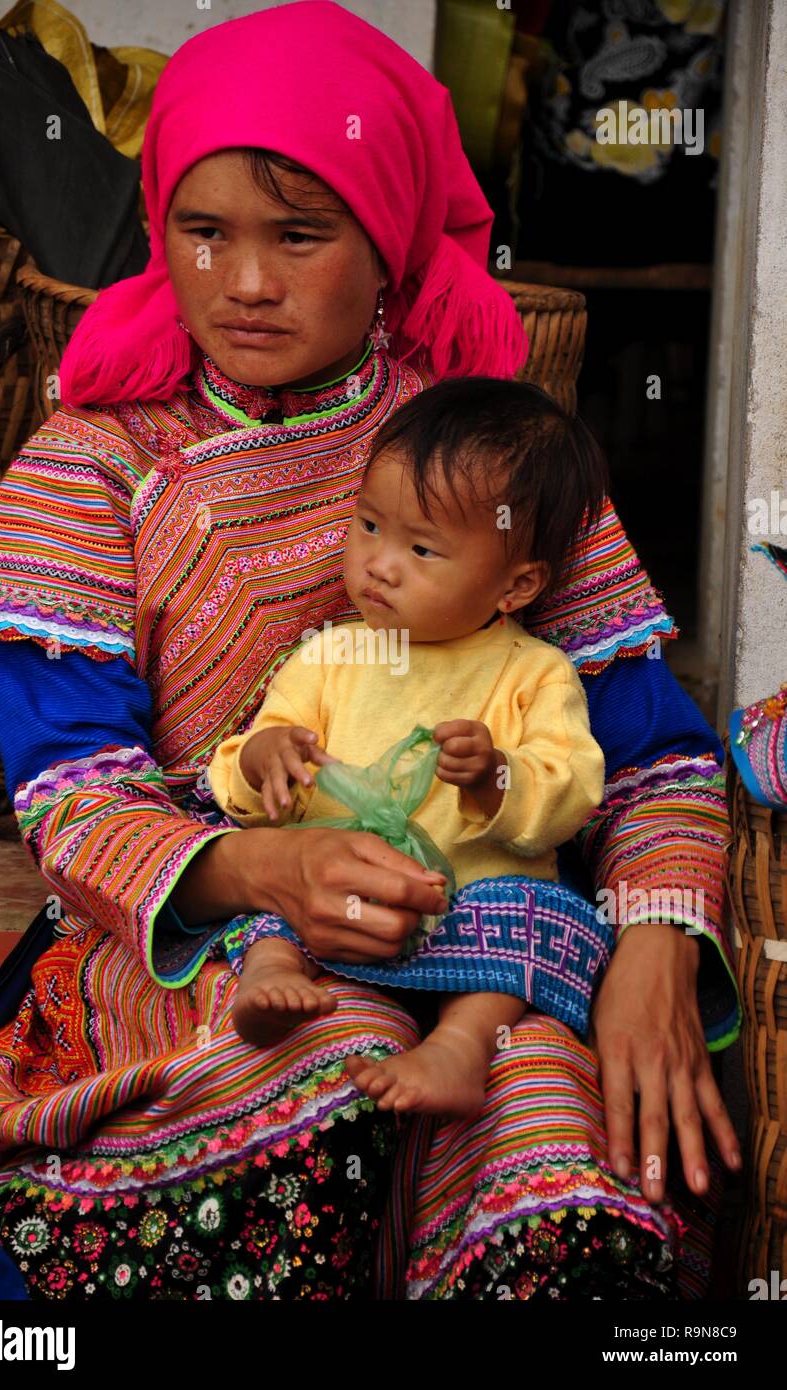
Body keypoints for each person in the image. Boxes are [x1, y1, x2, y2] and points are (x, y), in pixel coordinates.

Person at [0, 2, 741, 1301]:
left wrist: (650, 938)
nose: (244, 284)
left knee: (544, 1109)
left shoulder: (488, 455)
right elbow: (70, 792)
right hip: (211, 947)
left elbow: (651, 756)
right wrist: (267, 862)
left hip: (485, 936)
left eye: (299, 235)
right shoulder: (88, 465)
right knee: (330, 1048)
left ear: (390, 238)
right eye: (201, 233)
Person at [208, 376, 612, 1121]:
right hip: (334, 913)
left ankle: (459, 1045)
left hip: (466, 915)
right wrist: (266, 759)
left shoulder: (531, 673)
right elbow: (247, 757)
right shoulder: (329, 656)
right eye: (367, 526)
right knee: (253, 911)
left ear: (515, 585)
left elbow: (570, 788)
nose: (379, 564)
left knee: (548, 921)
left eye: (422, 548)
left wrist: (496, 775)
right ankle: (269, 980)